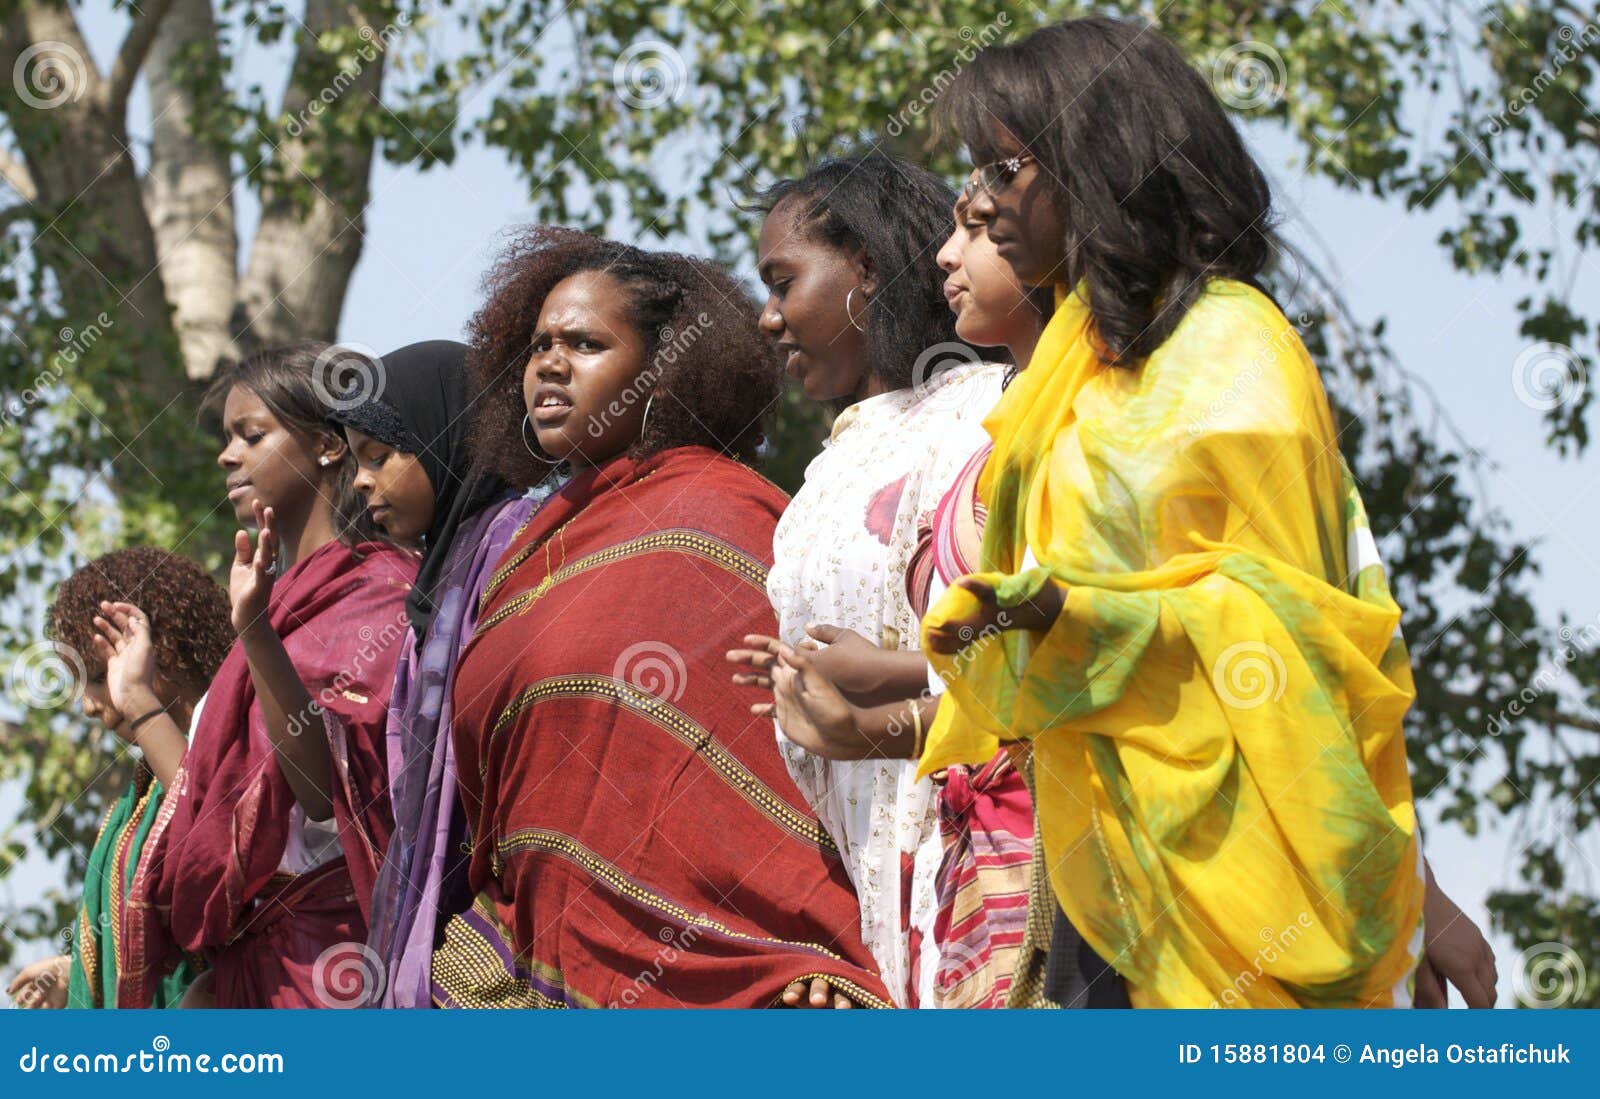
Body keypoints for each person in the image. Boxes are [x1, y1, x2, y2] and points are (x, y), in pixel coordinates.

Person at [916, 15, 1436, 1007]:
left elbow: (1313, 635)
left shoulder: (1233, 353)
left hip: (1237, 878)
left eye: (1002, 168)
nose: (976, 202)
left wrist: (1087, 619)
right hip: (1095, 868)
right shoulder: (1063, 372)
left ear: (1099, 159)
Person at [447, 227, 890, 1008]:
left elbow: (787, 750)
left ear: (662, 369)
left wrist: (801, 941)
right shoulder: (524, 548)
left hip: (728, 977)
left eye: (584, 343)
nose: (549, 364)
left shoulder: (729, 519)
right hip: (527, 969)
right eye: (539, 344)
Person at [728, 150, 1002, 1006]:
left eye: (784, 281)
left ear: (868, 269)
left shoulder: (984, 413)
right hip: (867, 911)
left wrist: (885, 692)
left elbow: (1032, 659)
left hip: (976, 873)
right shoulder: (828, 466)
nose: (769, 319)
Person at [119, 343, 417, 1008]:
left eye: (251, 435)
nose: (227, 456)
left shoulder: (379, 593)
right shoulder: (270, 599)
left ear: (326, 447)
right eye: (228, 438)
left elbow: (318, 792)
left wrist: (255, 631)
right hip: (253, 961)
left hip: (334, 961)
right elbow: (224, 810)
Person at [323, 339, 535, 1008]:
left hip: (512, 916)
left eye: (380, 456)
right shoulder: (436, 582)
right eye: (356, 460)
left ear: (446, 435)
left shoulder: (518, 544)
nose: (361, 481)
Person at [5, 549, 232, 1009]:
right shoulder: (137, 805)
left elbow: (223, 845)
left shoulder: (242, 742)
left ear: (156, 651)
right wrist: (77, 970)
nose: (88, 705)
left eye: (95, 676)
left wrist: (135, 697)